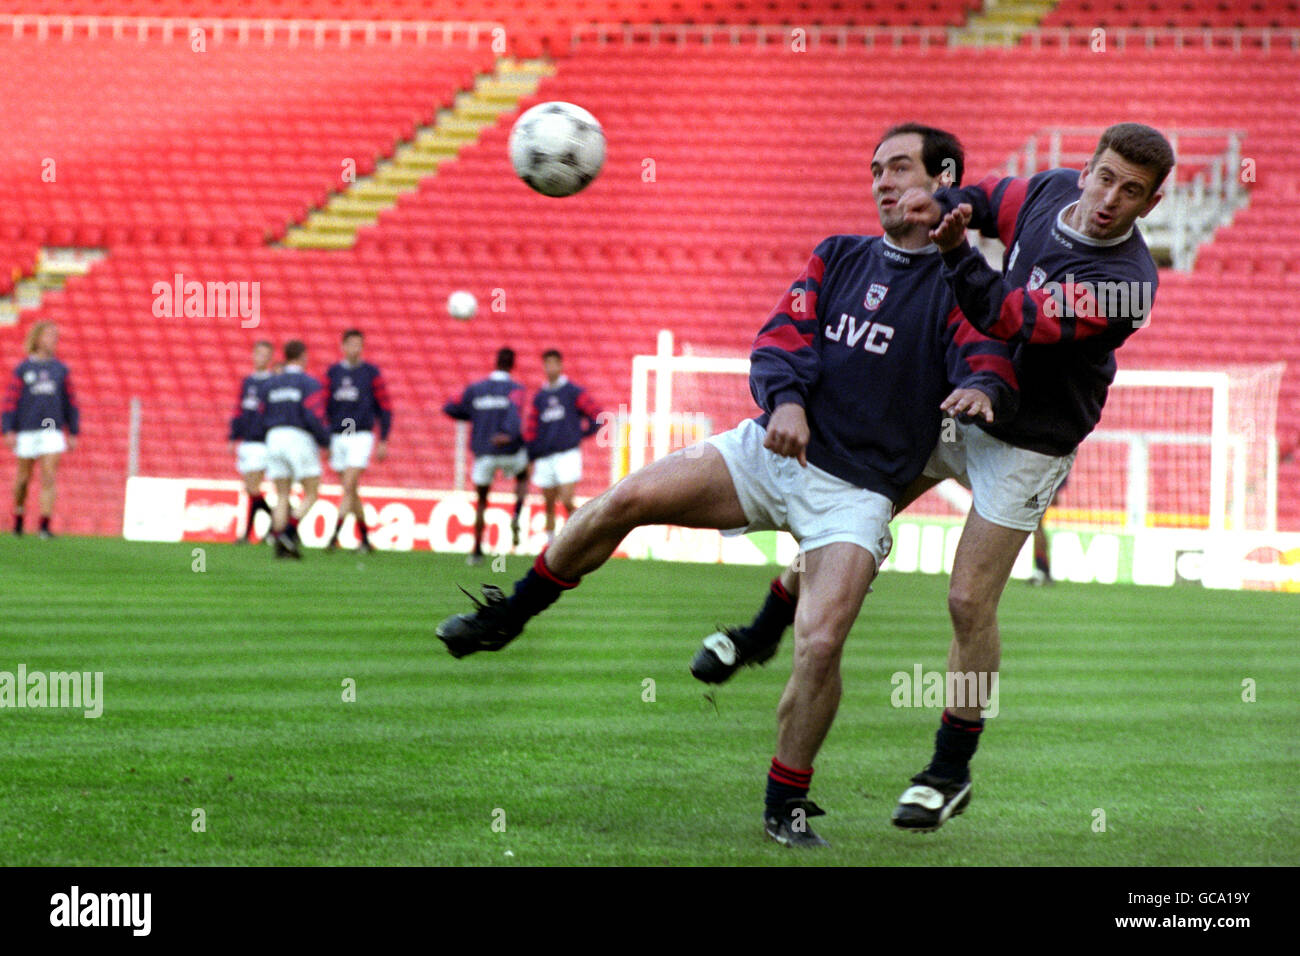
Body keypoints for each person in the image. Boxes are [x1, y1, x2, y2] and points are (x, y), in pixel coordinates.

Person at [436, 124, 1018, 848]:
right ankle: (509, 615)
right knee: (625, 500)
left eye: (900, 168)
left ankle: (787, 804)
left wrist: (983, 387)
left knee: (822, 639)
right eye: (875, 170)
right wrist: (787, 402)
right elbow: (781, 337)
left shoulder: (967, 285)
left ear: (946, 177)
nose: (882, 183)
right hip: (768, 451)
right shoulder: (839, 256)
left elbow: (987, 353)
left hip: (856, 493)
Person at [701, 122, 1172, 836]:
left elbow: (1008, 315)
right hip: (956, 403)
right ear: (1086, 170)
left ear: (1153, 202)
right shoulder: (1044, 191)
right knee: (853, 509)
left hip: (1027, 440)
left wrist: (952, 246)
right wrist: (942, 203)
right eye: (1105, 177)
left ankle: (949, 770)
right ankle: (764, 631)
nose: (1110, 198)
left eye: (1131, 191)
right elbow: (985, 198)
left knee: (966, 601)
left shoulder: (1125, 288)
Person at [442, 347, 529, 565]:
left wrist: (473, 415)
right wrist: (508, 435)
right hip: (509, 451)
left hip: (484, 452)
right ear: (512, 365)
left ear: (495, 362)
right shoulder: (516, 389)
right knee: (523, 475)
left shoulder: (476, 389)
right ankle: (517, 512)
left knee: (481, 501)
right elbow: (516, 417)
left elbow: (450, 406)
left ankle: (477, 550)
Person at [2, 321, 79, 539]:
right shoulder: (23, 369)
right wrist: (8, 429)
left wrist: (73, 431)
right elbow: (10, 401)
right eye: (48, 335)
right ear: (36, 339)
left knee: (48, 475)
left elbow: (70, 402)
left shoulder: (60, 370)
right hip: (27, 429)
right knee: (24, 478)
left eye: (55, 336)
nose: (53, 340)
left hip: (52, 429)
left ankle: (44, 525)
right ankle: (18, 515)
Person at [321, 329, 393, 554]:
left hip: (360, 434)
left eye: (358, 344)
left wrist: (383, 439)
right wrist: (324, 440)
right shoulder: (332, 373)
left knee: (349, 485)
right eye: (351, 344)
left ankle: (335, 535)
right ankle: (364, 538)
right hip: (338, 435)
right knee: (350, 490)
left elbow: (385, 406)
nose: (355, 348)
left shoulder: (371, 373)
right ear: (343, 346)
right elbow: (323, 408)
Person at [259, 340, 331, 559]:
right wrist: (325, 441)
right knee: (311, 491)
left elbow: (261, 413)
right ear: (302, 356)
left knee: (282, 494)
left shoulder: (270, 384)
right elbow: (314, 414)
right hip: (297, 437)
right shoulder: (308, 383)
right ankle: (289, 533)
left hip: (273, 436)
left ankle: (280, 543)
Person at [523, 349, 601, 544]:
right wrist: (531, 455)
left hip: (567, 454)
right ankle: (550, 546)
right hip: (545, 456)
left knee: (566, 499)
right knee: (548, 503)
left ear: (560, 365)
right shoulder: (540, 398)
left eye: (553, 363)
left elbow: (596, 414)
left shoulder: (572, 392)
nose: (550, 368)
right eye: (546, 364)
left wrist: (581, 434)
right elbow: (532, 428)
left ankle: (582, 538)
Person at [228, 340, 275, 544]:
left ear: (270, 358)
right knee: (250, 489)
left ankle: (250, 533)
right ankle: (274, 521)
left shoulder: (272, 383)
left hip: (262, 442)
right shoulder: (248, 382)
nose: (261, 358)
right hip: (247, 441)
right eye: (258, 354)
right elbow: (239, 410)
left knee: (253, 488)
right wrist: (233, 436)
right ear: (253, 356)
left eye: (265, 355)